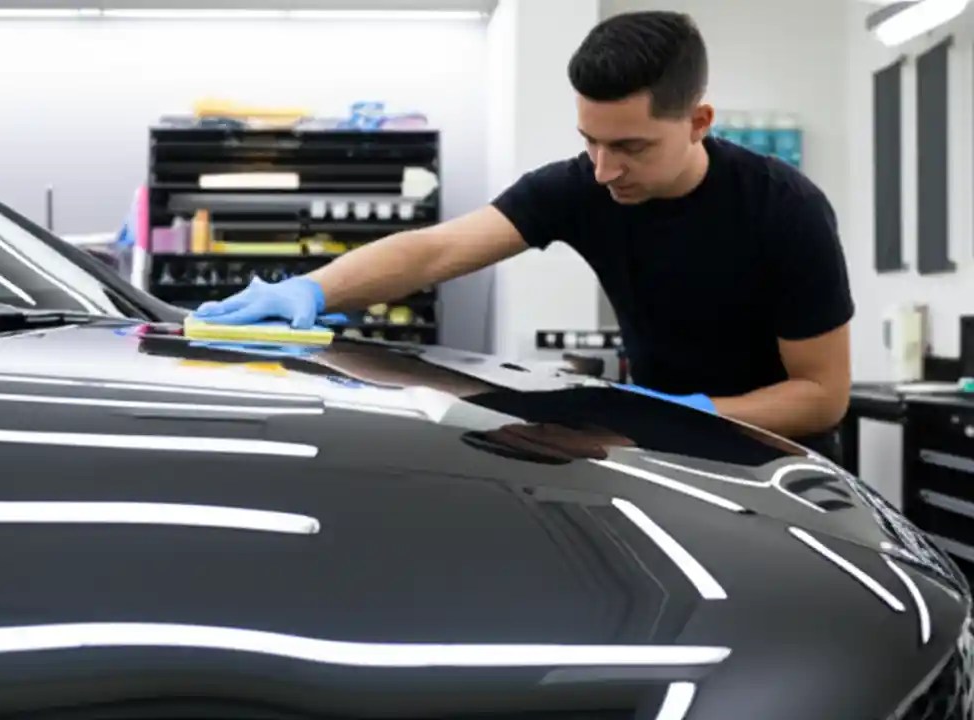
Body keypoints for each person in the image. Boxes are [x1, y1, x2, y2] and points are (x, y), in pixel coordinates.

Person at [194, 10, 854, 458]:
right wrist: (311, 289)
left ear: (698, 122)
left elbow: (822, 397)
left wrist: (696, 409)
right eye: (591, 141)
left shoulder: (784, 209)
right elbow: (437, 249)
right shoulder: (581, 186)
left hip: (775, 465)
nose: (605, 169)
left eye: (631, 147)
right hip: (656, 448)